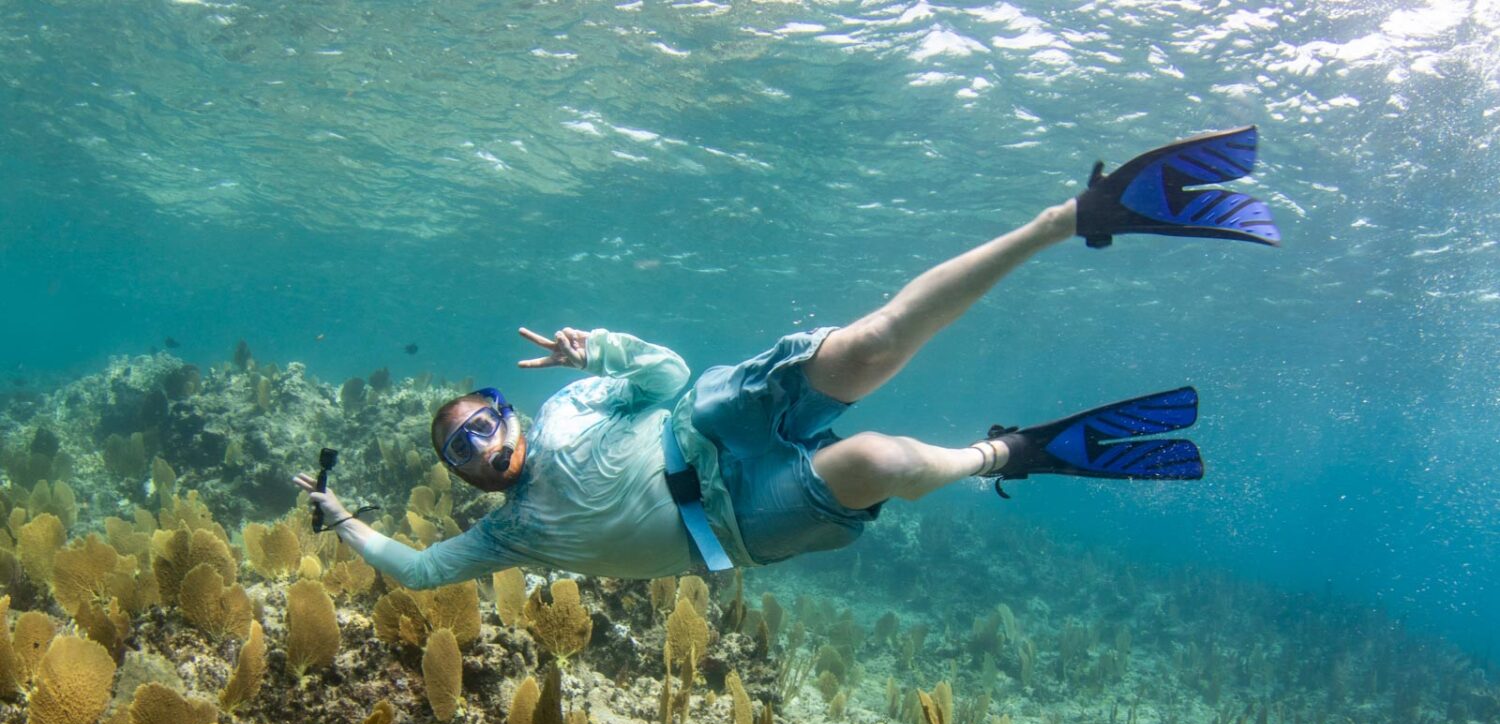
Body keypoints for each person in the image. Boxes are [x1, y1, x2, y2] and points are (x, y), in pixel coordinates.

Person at [295, 127, 1278, 590]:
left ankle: (1076, 217)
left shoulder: (566, 411)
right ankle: (1007, 456)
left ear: (511, 410)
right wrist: (339, 517)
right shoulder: (510, 540)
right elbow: (418, 571)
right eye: (463, 445)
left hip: (711, 417)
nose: (483, 438)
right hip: (734, 524)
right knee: (880, 462)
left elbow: (669, 378)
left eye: (484, 415)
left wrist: (599, 346)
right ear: (465, 475)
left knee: (868, 344)